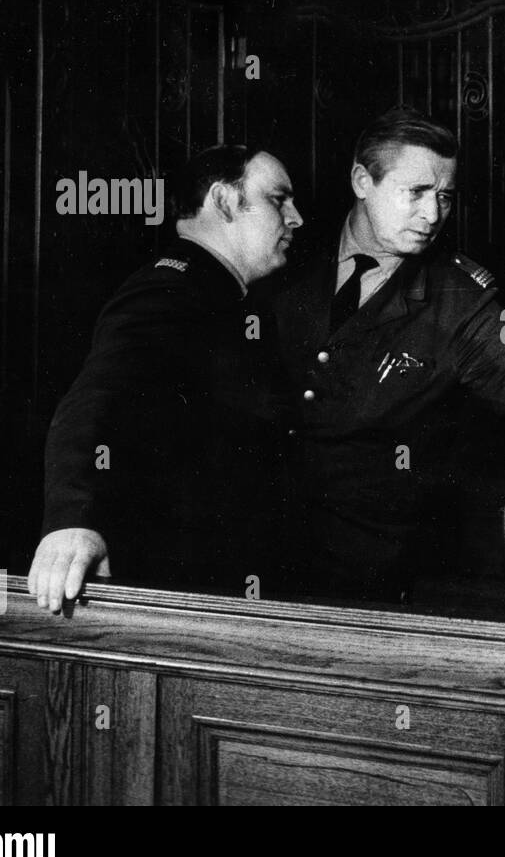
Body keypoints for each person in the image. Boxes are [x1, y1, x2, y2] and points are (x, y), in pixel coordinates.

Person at [268, 107, 505, 603]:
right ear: (361, 180)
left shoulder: (461, 300)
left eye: (445, 197)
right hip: (256, 551)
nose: (433, 214)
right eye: (414, 193)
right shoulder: (283, 255)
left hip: (371, 577)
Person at [29, 147, 303, 612]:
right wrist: (73, 520)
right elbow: (99, 394)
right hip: (176, 591)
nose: (295, 218)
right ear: (223, 201)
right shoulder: (170, 289)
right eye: (279, 200)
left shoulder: (226, 295)